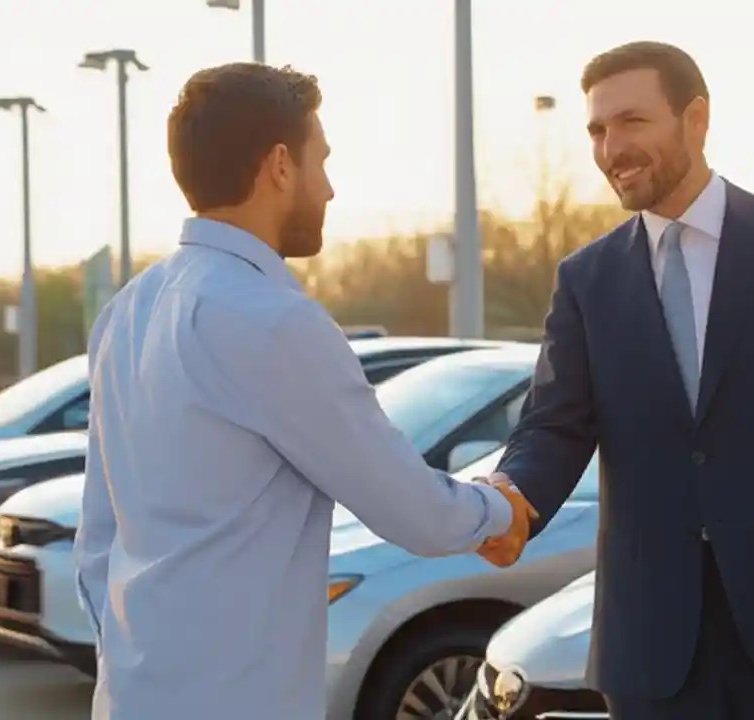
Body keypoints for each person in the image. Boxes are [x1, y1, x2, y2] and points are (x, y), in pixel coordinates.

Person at [73, 63, 534, 720]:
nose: (330, 187)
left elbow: (97, 540)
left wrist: (128, 661)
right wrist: (497, 511)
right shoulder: (272, 318)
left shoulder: (127, 311)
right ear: (280, 166)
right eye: (321, 161)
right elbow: (411, 508)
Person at [477, 42, 754, 718]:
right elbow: (555, 425)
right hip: (654, 651)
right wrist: (511, 499)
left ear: (696, 119)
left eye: (631, 122)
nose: (610, 149)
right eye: (597, 130)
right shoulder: (586, 280)